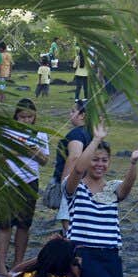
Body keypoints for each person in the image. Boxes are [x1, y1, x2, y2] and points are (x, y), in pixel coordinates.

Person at [65, 124, 138, 277]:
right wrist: (95, 140)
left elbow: (126, 188)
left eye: (104, 160)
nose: (99, 164)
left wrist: (133, 163)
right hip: (84, 254)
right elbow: (78, 169)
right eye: (95, 159)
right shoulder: (75, 187)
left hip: (111, 253)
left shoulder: (111, 188)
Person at [0, 98, 49, 277]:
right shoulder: (6, 131)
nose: (26, 120)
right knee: (4, 224)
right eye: (22, 117)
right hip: (8, 182)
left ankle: (18, 263)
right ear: (16, 116)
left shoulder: (40, 134)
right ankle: (2, 264)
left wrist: (36, 152)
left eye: (30, 117)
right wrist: (22, 150)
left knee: (24, 224)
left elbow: (44, 161)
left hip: (30, 181)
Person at [51, 100, 91, 237]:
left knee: (68, 219)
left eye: (73, 111)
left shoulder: (76, 134)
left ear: (82, 115)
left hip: (74, 184)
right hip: (87, 183)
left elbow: (74, 157)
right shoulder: (90, 134)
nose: (70, 114)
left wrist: (65, 183)